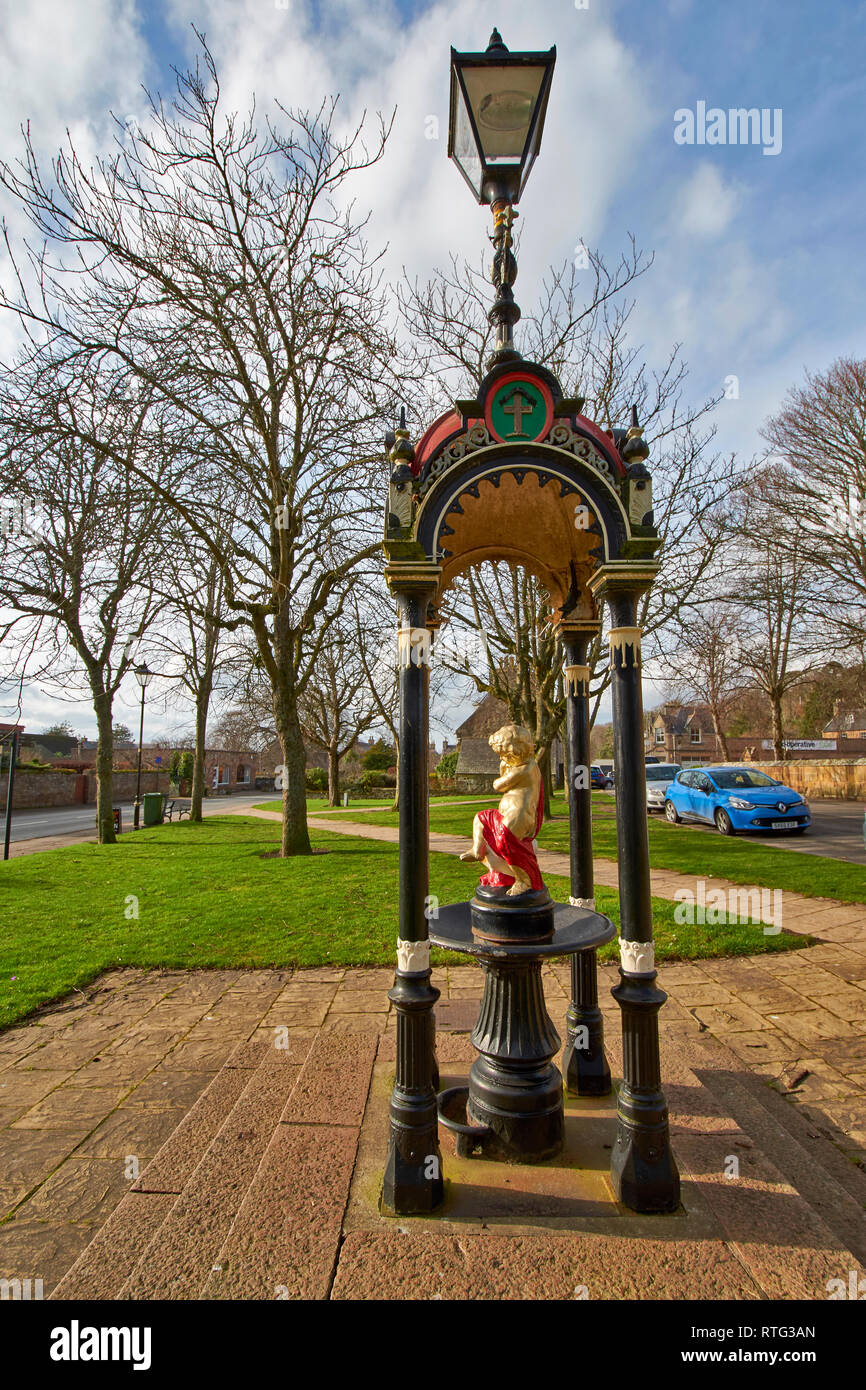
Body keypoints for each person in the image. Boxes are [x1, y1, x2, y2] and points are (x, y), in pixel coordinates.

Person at [460, 723, 544, 896]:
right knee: (481, 817)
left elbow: (498, 785)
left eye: (505, 755)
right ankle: (477, 849)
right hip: (507, 813)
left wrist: (504, 768)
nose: (503, 758)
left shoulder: (525, 768)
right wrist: (505, 765)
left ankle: (524, 880)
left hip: (519, 815)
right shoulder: (517, 766)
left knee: (505, 842)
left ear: (516, 751)